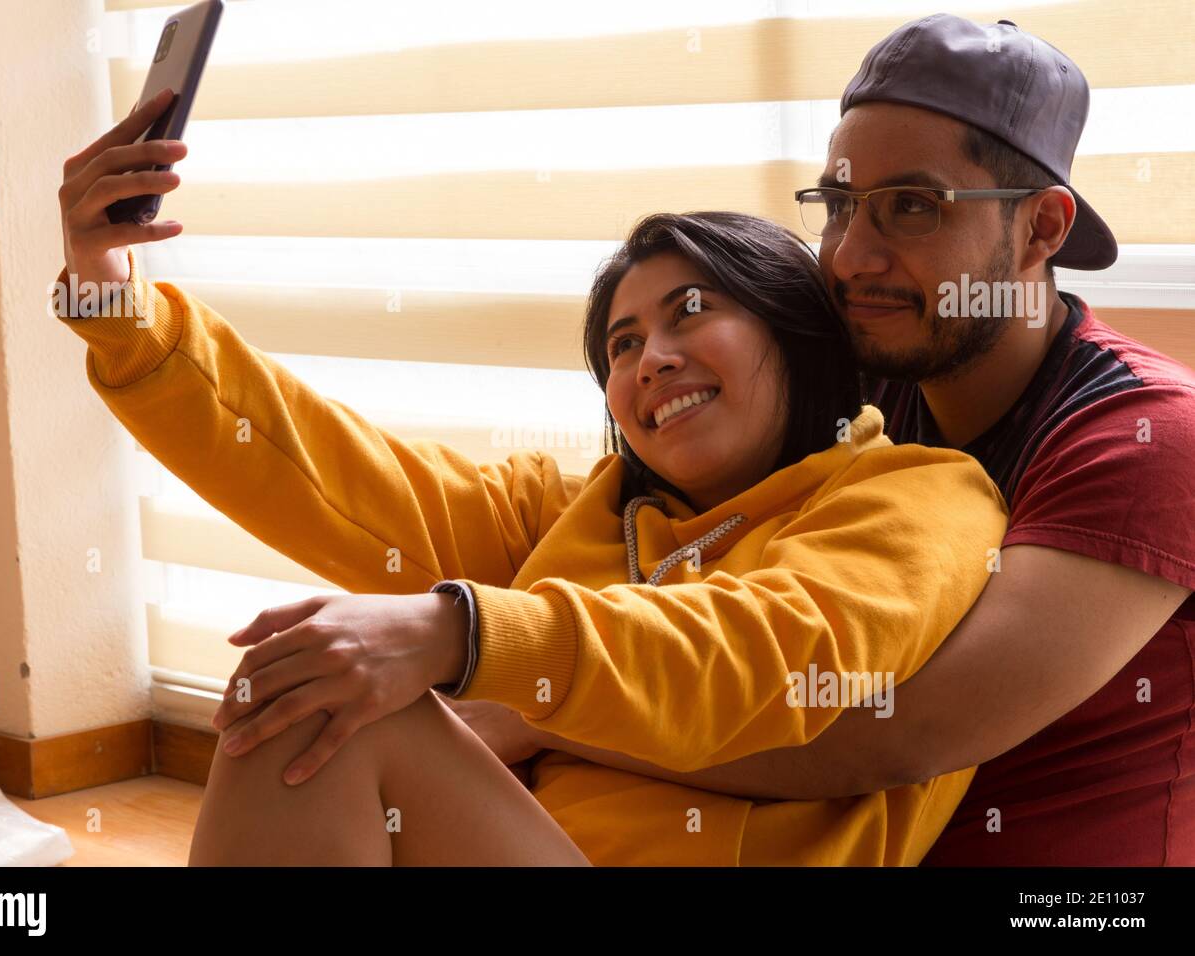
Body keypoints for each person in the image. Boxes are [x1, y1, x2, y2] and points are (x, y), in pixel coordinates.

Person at [53, 93, 1006, 864]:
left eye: (689, 313)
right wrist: (111, 292)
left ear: (793, 329)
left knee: (323, 713)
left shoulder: (917, 493)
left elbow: (768, 655)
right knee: (298, 696)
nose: (651, 360)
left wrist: (462, 634)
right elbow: (329, 471)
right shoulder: (588, 513)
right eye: (623, 345)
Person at [537, 14, 1195, 866]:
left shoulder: (1143, 438)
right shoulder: (872, 377)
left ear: (1041, 229)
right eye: (838, 207)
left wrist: (536, 706)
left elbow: (888, 734)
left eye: (911, 208)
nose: (849, 257)